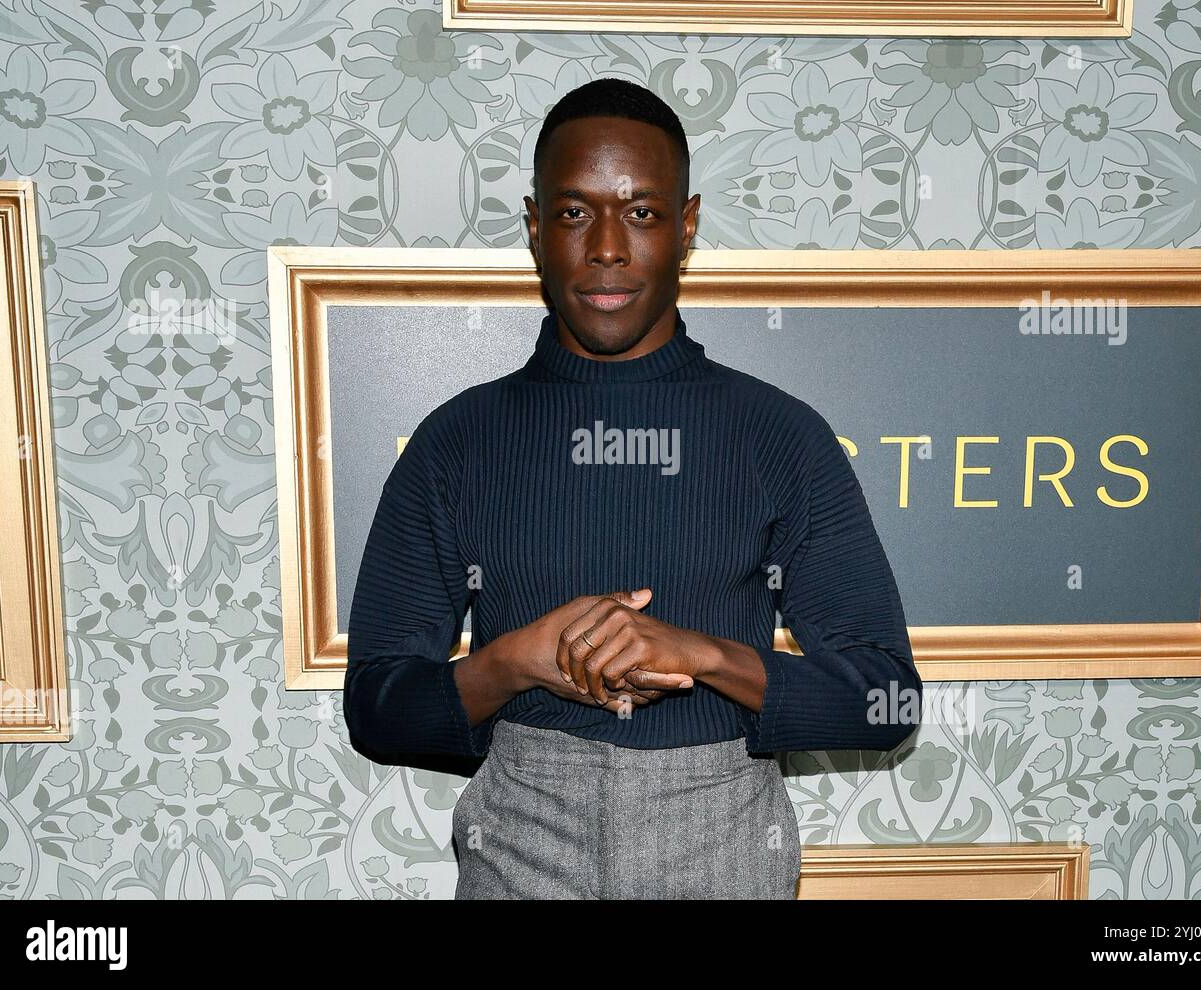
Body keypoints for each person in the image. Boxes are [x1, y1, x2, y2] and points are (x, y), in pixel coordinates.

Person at [343, 77, 922, 900]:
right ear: (536, 229)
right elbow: (376, 708)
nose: (607, 247)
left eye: (642, 212)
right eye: (575, 213)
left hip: (723, 843)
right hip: (516, 848)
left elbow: (886, 699)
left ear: (685, 227)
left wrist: (703, 656)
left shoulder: (779, 435)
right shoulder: (455, 442)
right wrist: (512, 662)